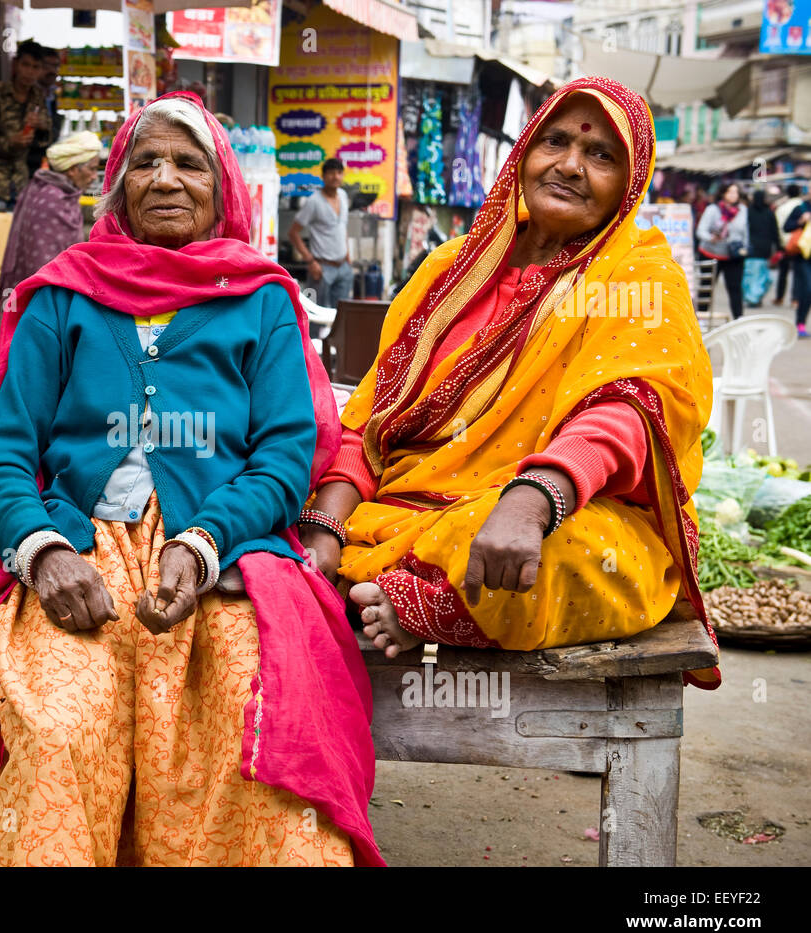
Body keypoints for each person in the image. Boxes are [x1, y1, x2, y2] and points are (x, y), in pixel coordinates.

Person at [0, 92, 383, 867]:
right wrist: (42, 553)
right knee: (61, 725)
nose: (166, 178)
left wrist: (202, 543)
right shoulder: (62, 296)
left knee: (244, 721)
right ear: (119, 186)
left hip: (223, 552)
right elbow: (1, 455)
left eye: (188, 163)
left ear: (221, 188)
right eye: (146, 162)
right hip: (78, 548)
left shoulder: (262, 300)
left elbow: (281, 456)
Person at [294, 77, 720, 691]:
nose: (570, 166)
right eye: (554, 142)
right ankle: (397, 577)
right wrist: (325, 526)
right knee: (266, 526)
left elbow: (633, 406)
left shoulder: (640, 276)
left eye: (601, 155)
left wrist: (529, 502)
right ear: (522, 153)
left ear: (631, 182)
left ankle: (438, 604)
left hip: (552, 511)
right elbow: (372, 416)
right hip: (402, 512)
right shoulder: (450, 269)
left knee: (574, 556)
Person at [0, 130, 99, 297]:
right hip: (41, 296)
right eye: (92, 169)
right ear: (73, 169)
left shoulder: (41, 187)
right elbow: (45, 263)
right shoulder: (54, 199)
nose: (95, 176)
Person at [0, 40, 52, 211]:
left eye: (35, 67)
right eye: (26, 65)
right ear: (16, 64)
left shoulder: (38, 96)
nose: (29, 72)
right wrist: (9, 142)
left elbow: (48, 138)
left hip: (22, 182)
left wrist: (41, 126)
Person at [289, 157, 352, 310]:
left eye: (339, 172)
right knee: (317, 316)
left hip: (343, 267)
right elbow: (293, 233)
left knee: (342, 316)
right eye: (331, 173)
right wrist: (310, 261)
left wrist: (348, 256)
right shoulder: (314, 201)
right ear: (323, 176)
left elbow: (342, 228)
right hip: (322, 268)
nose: (335, 176)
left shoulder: (343, 196)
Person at [696, 182, 749, 320]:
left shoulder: (742, 210)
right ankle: (701, 318)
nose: (733, 195)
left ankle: (739, 319)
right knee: (706, 287)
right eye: (730, 192)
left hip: (733, 255)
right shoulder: (713, 209)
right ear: (723, 193)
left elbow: (745, 231)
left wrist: (745, 247)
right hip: (711, 253)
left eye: (736, 192)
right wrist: (711, 238)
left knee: (735, 288)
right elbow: (701, 230)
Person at [27, 44, 64, 176]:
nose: (52, 71)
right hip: (28, 163)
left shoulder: (51, 94)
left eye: (56, 66)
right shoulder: (28, 93)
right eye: (47, 65)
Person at [744, 188, 779, 306]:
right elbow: (775, 232)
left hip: (751, 248)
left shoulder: (748, 212)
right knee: (761, 276)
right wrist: (779, 247)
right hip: (765, 249)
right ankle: (755, 297)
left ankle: (752, 297)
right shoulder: (769, 213)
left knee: (750, 275)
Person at [782, 191, 811, 336]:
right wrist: (800, 221)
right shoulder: (801, 208)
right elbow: (786, 227)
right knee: (807, 289)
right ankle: (800, 322)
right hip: (802, 256)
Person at [773, 184, 803, 306]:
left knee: (783, 272)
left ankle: (779, 297)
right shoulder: (803, 207)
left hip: (785, 244)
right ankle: (795, 299)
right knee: (798, 272)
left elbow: (779, 227)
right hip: (800, 244)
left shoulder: (782, 208)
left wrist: (780, 243)